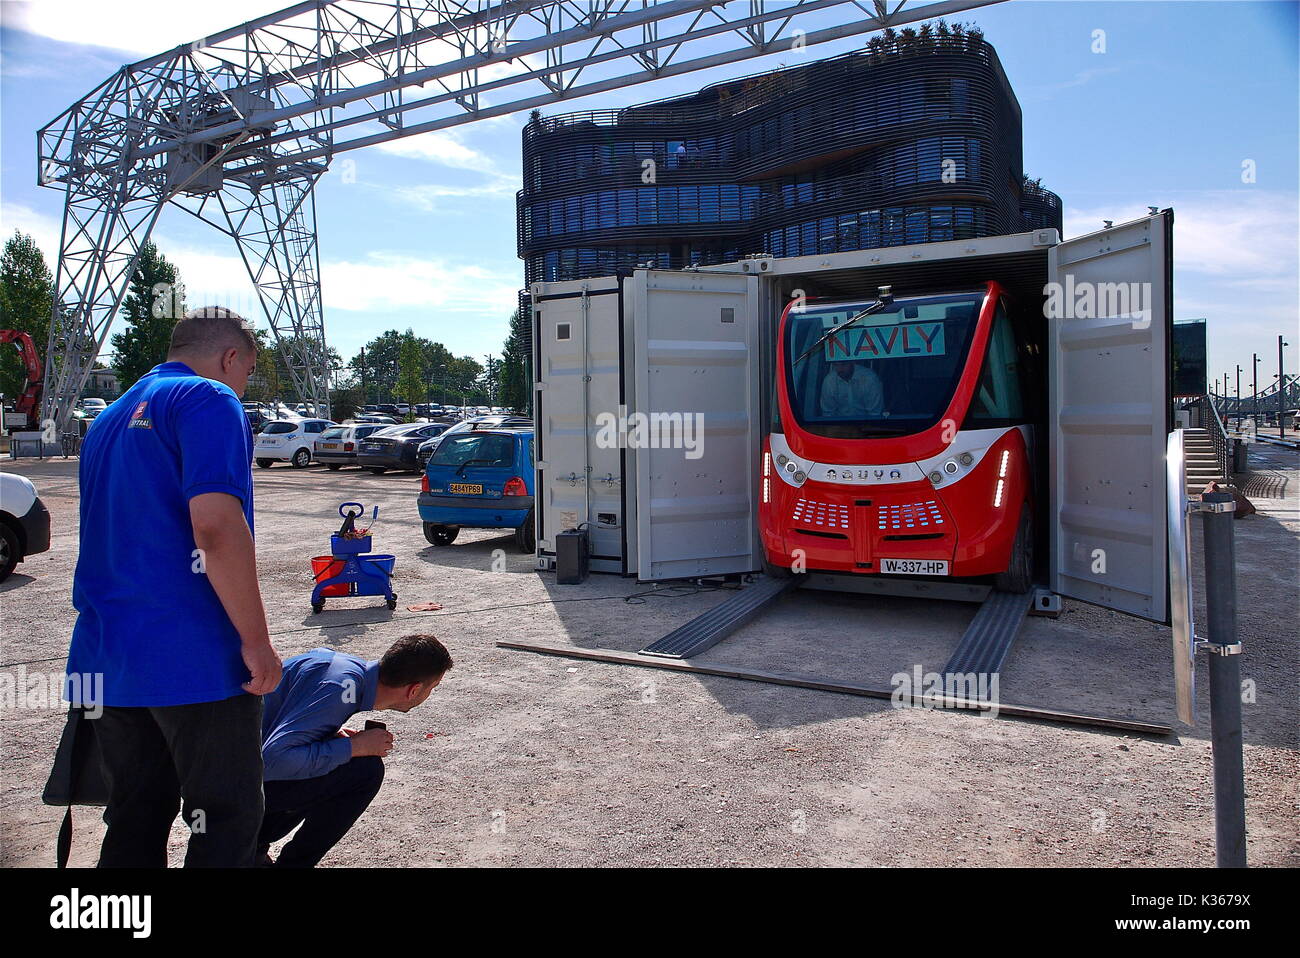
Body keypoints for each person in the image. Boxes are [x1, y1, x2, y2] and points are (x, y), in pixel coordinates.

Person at [65, 306, 281, 868]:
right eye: (247, 372)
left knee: (135, 816)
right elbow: (214, 527)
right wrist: (256, 642)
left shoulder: (109, 417)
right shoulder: (209, 400)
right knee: (226, 819)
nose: (243, 384)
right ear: (231, 357)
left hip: (107, 659)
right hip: (193, 661)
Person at [257, 635, 453, 867]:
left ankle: (253, 845)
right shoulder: (341, 689)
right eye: (432, 688)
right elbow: (273, 760)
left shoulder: (342, 669)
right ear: (414, 690)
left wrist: (330, 738)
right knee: (364, 771)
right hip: (227, 793)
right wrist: (354, 747)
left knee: (342, 763)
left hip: (218, 773)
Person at [820, 360, 884, 418]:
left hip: (866, 427)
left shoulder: (869, 379)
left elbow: (875, 414)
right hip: (839, 427)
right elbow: (828, 414)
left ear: (852, 362)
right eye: (835, 365)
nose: (839, 369)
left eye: (843, 364)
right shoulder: (829, 381)